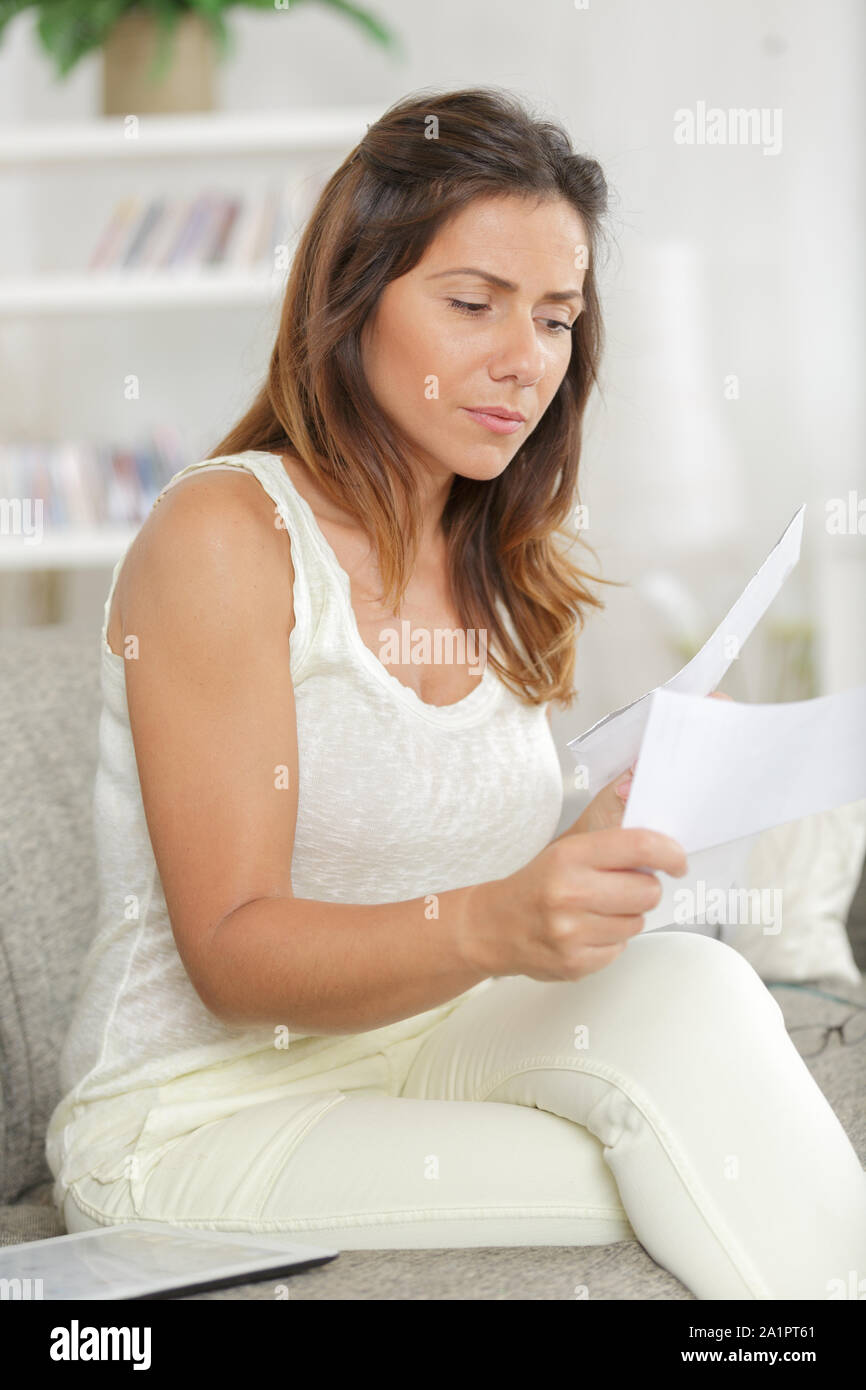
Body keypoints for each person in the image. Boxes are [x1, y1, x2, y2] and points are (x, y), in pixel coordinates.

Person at [46, 86, 866, 1300]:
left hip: (431, 1046)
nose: (522, 358)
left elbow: (441, 863)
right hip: (202, 1119)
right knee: (704, 1154)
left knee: (694, 984)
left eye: (553, 317)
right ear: (350, 300)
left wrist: (586, 848)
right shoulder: (224, 535)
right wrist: (497, 921)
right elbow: (230, 951)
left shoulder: (490, 552)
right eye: (472, 304)